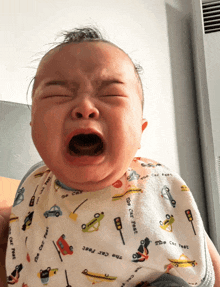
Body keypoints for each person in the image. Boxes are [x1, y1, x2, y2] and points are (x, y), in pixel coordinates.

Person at [3, 27, 220, 287]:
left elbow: (211, 265)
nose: (85, 107)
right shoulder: (32, 190)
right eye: (57, 94)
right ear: (33, 127)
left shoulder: (159, 187)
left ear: (139, 132)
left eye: (110, 94)